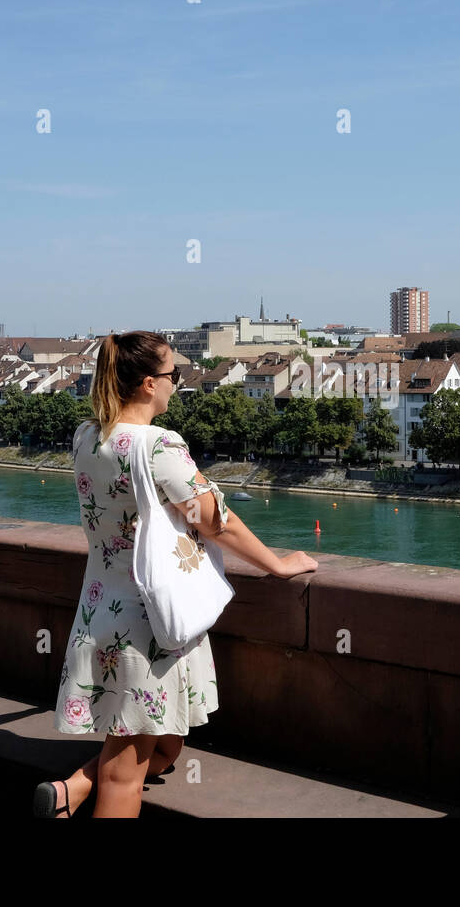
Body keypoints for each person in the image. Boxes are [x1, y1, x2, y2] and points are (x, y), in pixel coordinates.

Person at [34, 332, 317, 817]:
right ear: (148, 384)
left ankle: (70, 791)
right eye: (173, 376)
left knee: (164, 746)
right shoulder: (158, 445)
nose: (176, 385)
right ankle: (83, 791)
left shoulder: (87, 437)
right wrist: (277, 564)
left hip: (99, 609)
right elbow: (213, 520)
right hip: (150, 625)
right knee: (124, 774)